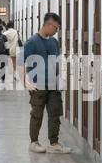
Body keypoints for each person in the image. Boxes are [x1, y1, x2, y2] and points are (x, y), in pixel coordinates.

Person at [22, 12, 71, 153]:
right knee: (37, 114)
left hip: (53, 84)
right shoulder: (32, 42)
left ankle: (54, 143)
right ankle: (34, 142)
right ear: (49, 24)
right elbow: (18, 62)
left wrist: (60, 78)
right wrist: (25, 82)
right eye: (56, 28)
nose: (56, 31)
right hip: (38, 85)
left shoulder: (54, 41)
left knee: (55, 114)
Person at [2, 21, 20, 87]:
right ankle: (15, 74)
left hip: (7, 49)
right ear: (12, 26)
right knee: (14, 63)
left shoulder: (5, 33)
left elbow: (3, 41)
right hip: (14, 49)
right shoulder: (15, 32)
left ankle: (8, 76)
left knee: (7, 63)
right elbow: (18, 40)